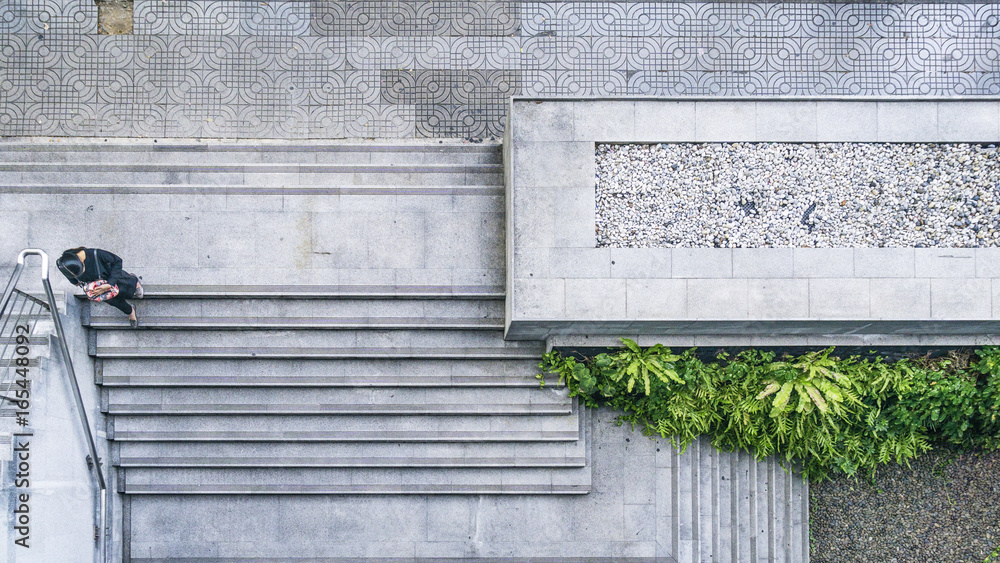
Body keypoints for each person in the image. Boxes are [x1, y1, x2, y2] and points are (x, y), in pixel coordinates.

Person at [56, 247, 143, 327]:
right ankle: (130, 311)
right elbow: (69, 275)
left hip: (111, 277)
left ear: (81, 261)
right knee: (114, 301)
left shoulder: (95, 254)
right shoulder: (63, 264)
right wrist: (74, 282)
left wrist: (110, 283)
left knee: (126, 287)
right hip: (97, 288)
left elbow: (117, 261)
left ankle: (135, 281)